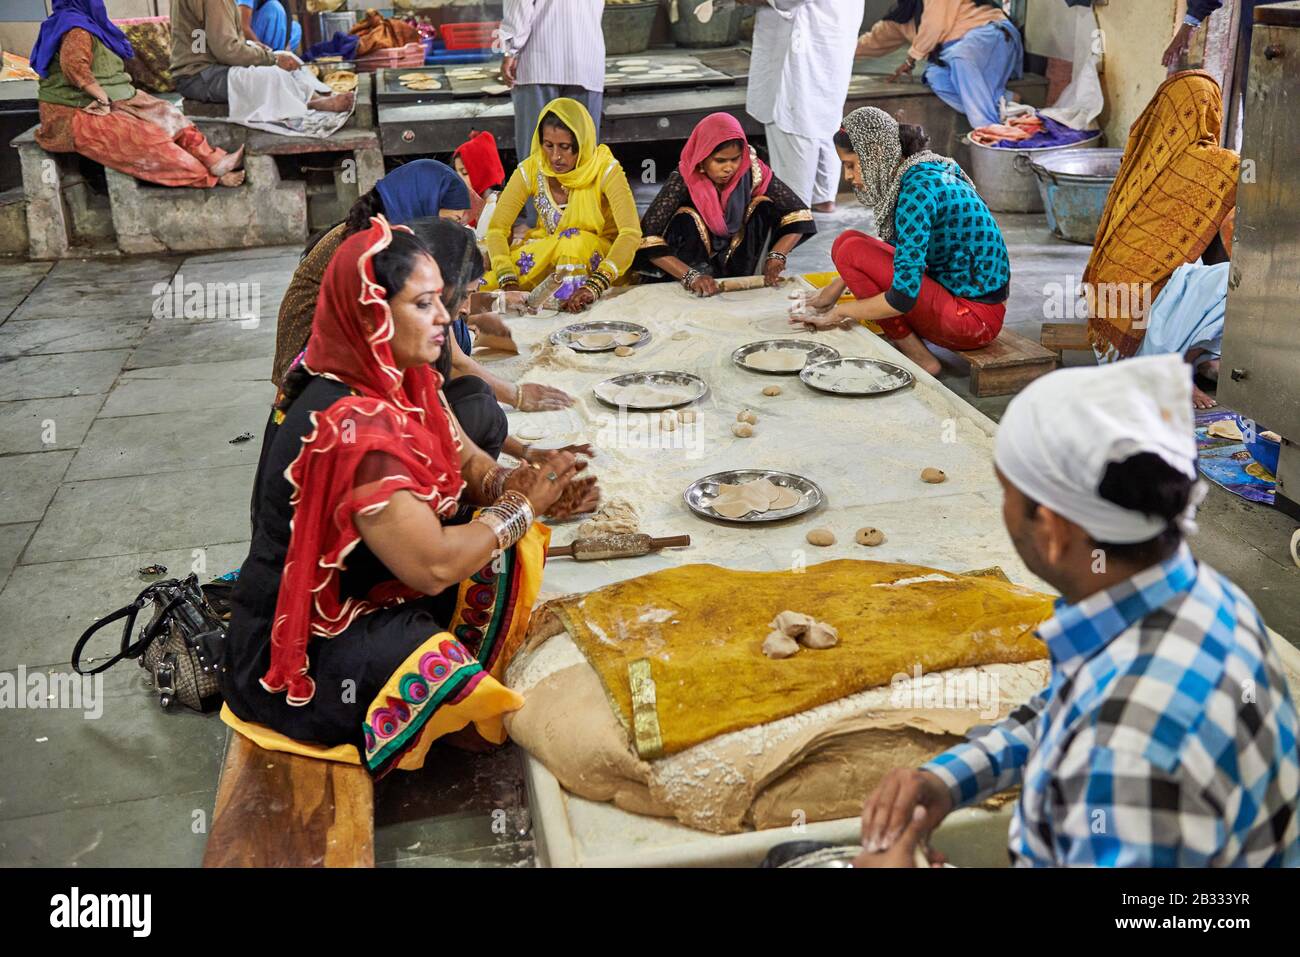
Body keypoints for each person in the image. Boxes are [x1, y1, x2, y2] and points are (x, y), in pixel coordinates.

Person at [854, 356, 1299, 867]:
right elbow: (1068, 708)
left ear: (1053, 528)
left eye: (1007, 491)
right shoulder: (1199, 597)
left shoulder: (1125, 751)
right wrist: (948, 780)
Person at [221, 216, 601, 774]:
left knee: (501, 553)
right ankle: (414, 718)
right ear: (374, 313)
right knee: (432, 655)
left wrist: (519, 484)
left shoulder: (400, 372)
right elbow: (433, 567)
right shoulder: (352, 428)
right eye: (424, 304)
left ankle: (441, 708)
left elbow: (468, 459)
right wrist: (521, 505)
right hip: (306, 638)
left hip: (369, 581)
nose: (447, 315)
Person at [272, 161, 572, 456]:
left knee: (470, 388)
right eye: (451, 221)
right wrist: (517, 396)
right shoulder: (379, 254)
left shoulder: (388, 236)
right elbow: (451, 360)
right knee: (470, 396)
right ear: (424, 207)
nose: (454, 231)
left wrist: (499, 302)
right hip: (313, 380)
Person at [796, 108, 1008, 376]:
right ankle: (914, 348)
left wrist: (840, 312)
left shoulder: (917, 190)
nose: (848, 177)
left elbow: (902, 297)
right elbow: (905, 251)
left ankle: (920, 357)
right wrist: (834, 288)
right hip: (975, 309)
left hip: (972, 321)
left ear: (875, 153)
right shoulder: (923, 170)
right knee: (848, 245)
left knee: (850, 247)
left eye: (850, 164)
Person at [1083, 71, 1238, 409]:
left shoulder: (1143, 154)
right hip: (1146, 325)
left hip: (1108, 324)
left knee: (1195, 276)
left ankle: (1202, 360)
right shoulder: (1220, 166)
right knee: (1241, 281)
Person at [32, 0, 244, 189]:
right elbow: (75, 68)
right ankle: (206, 177)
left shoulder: (91, 25)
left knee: (168, 114)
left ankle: (214, 161)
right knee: (148, 141)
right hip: (73, 111)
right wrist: (101, 98)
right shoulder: (75, 28)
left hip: (111, 99)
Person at [483, 98, 641, 314]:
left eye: (565, 147)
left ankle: (570, 308)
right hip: (549, 251)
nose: (555, 157)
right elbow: (497, 229)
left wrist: (595, 284)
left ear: (582, 143)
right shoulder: (532, 168)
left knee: (572, 243)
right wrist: (507, 278)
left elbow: (630, 233)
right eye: (548, 146)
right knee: (484, 285)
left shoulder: (605, 169)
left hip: (598, 263)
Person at [637, 112, 815, 295]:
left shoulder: (752, 172)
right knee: (687, 217)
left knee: (763, 205)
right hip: (689, 267)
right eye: (720, 161)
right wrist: (690, 276)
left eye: (735, 159)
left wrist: (776, 256)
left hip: (738, 262)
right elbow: (647, 238)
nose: (729, 168)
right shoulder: (684, 179)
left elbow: (799, 214)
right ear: (702, 157)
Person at [742, 0, 861, 212]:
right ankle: (820, 198)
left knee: (795, 122)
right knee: (822, 122)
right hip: (827, 44)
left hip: (801, 54)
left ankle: (794, 214)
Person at [170, 0, 352, 122]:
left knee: (289, 58)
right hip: (198, 76)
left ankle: (315, 96)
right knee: (272, 74)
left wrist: (253, 47)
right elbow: (225, 49)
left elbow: (216, 41)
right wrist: (271, 59)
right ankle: (309, 104)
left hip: (211, 65)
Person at [855, 0, 1023, 130]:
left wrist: (911, 59)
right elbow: (872, 42)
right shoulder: (903, 18)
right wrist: (837, 52)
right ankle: (1004, 100)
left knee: (960, 56)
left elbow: (933, 25)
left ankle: (987, 130)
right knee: (934, 75)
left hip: (989, 34)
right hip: (953, 56)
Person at [498, 0, 605, 204]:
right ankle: (583, 221)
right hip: (587, 58)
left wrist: (510, 49)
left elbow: (520, 6)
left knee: (538, 153)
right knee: (582, 153)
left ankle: (541, 226)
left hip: (538, 60)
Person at [453, 129, 507, 236]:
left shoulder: (495, 206)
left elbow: (488, 248)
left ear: (481, 172)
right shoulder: (468, 204)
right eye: (456, 172)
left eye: (464, 173)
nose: (458, 179)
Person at [236, 0, 301, 54]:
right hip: (244, 37)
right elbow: (243, 27)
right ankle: (273, 54)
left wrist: (286, 44)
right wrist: (262, 50)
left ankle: (279, 52)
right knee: (273, 8)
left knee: (296, 29)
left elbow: (288, 19)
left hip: (264, 31)